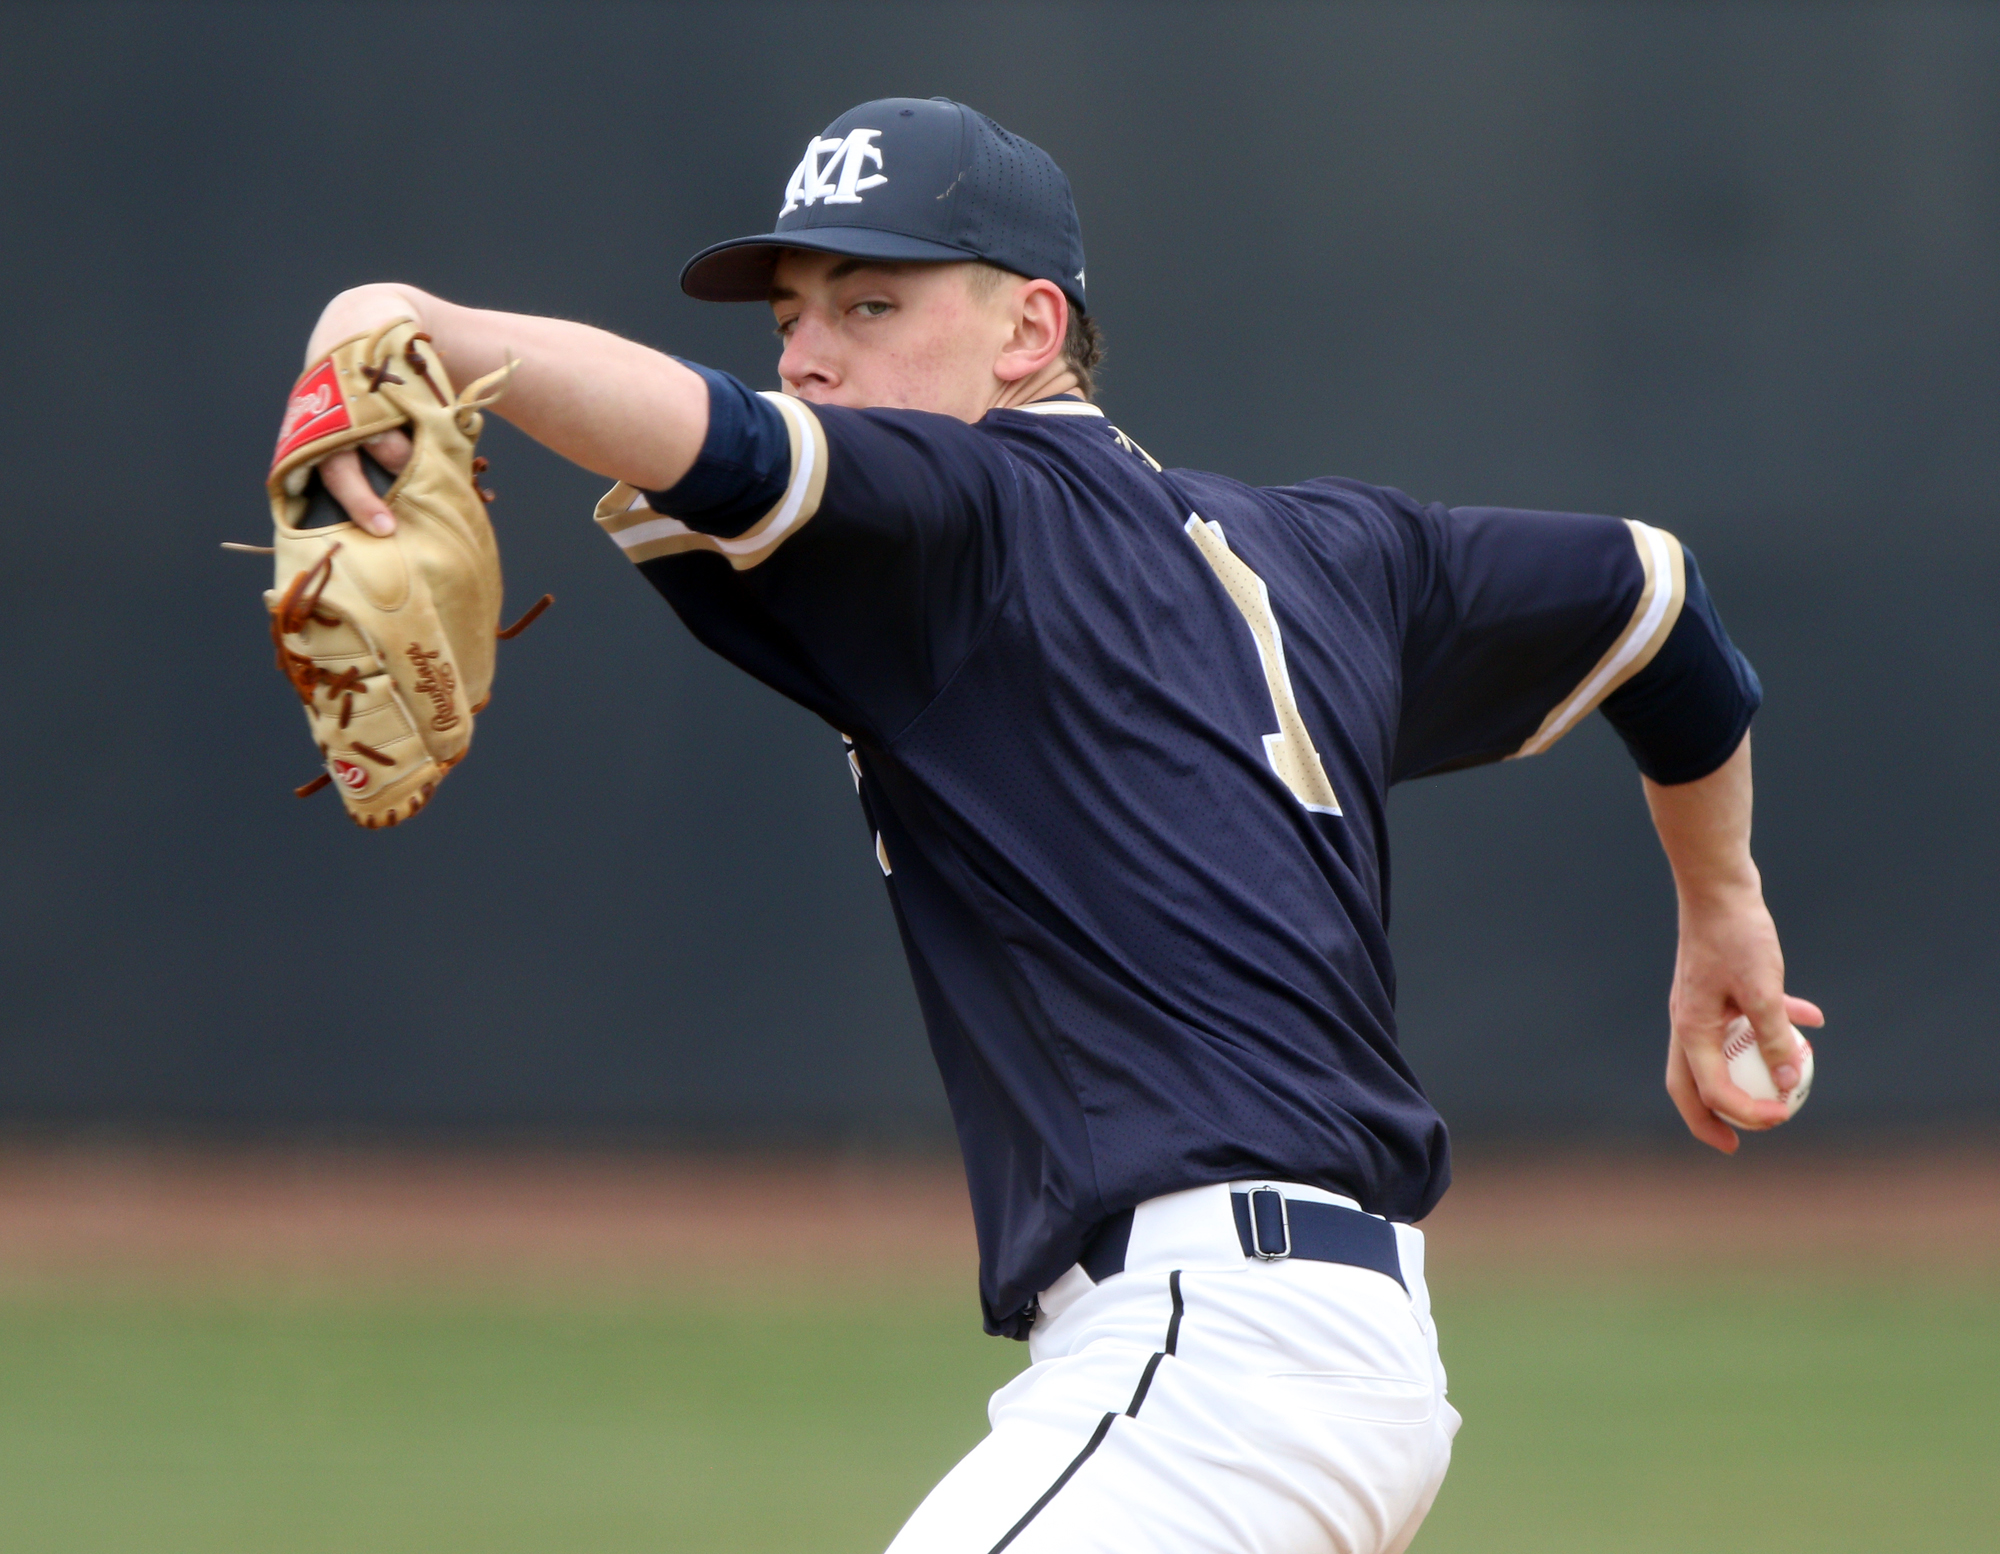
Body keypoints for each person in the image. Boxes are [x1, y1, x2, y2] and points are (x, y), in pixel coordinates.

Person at [296, 97, 1821, 1554]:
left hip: (1211, 1366)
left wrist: (415, 319)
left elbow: (718, 444)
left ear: (1029, 328)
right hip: (1323, 1359)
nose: (810, 356)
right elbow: (1658, 603)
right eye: (790, 323)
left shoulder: (967, 518)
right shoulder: (1334, 553)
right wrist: (1724, 906)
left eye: (869, 306)